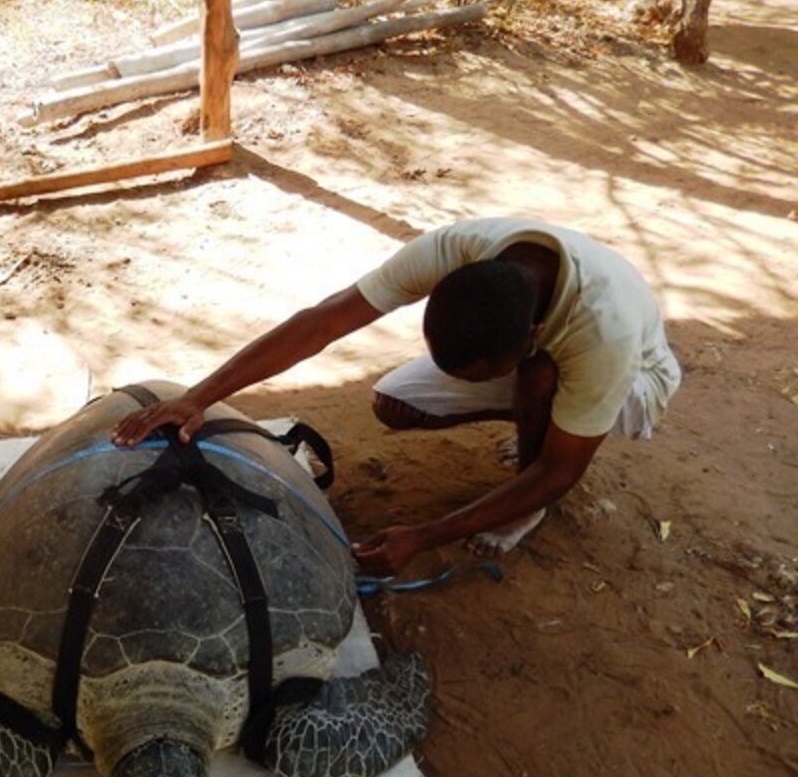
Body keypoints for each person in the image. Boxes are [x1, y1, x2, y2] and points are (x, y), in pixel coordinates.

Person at [112, 217, 681, 576]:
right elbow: (322, 322)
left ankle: (523, 500)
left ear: (530, 338)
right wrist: (201, 395)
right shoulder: (458, 248)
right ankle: (537, 411)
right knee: (396, 403)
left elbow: (562, 471)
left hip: (636, 381)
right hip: (533, 358)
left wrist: (427, 535)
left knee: (541, 395)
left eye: (482, 375)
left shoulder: (604, 333)